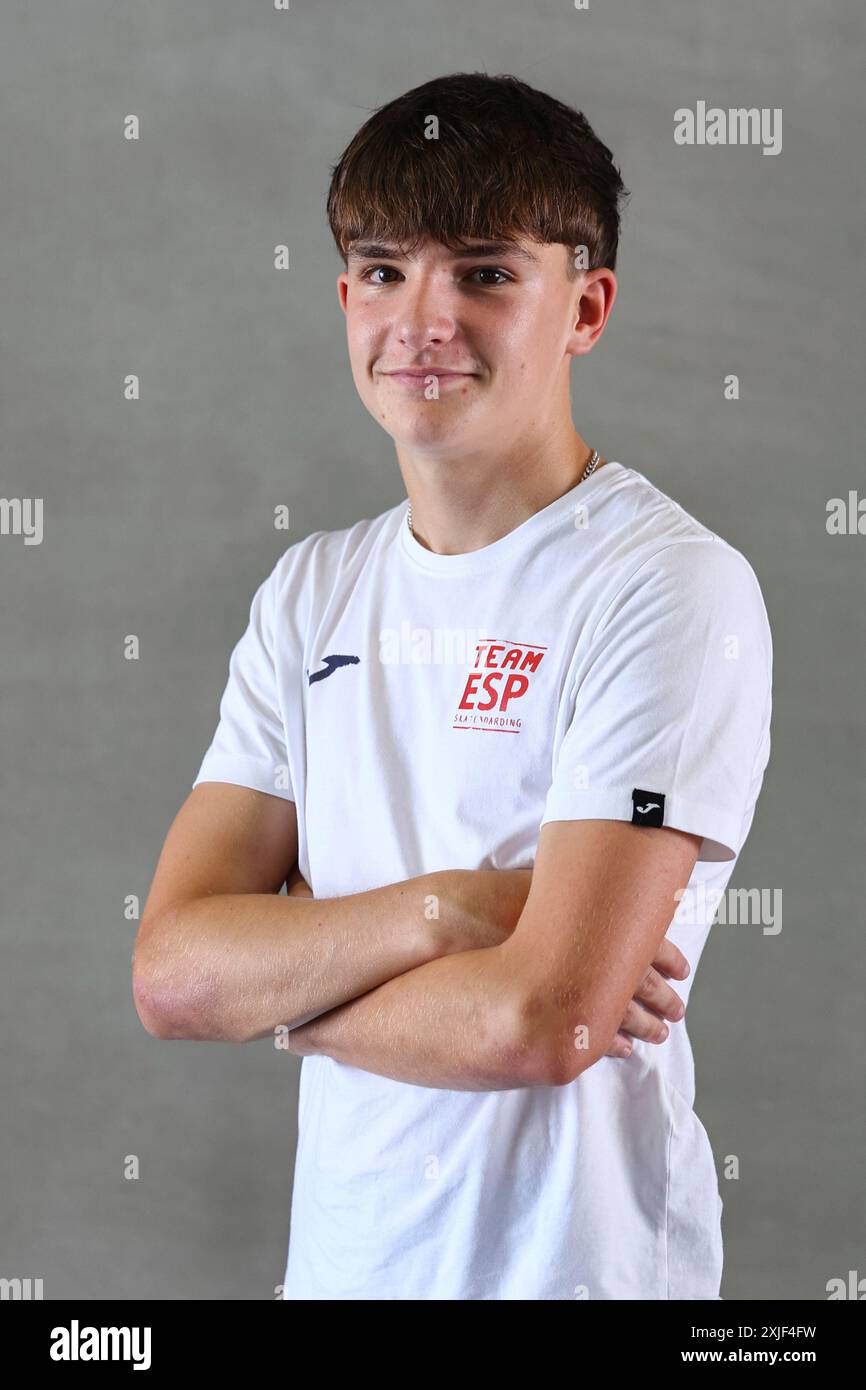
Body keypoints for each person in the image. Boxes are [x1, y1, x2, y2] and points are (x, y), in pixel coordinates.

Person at [133, 72, 773, 1300]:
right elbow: (170, 970)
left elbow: (545, 1024)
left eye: (482, 273)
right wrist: (456, 911)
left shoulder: (668, 586)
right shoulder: (309, 593)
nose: (420, 319)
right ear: (342, 298)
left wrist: (282, 989)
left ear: (584, 306)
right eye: (382, 270)